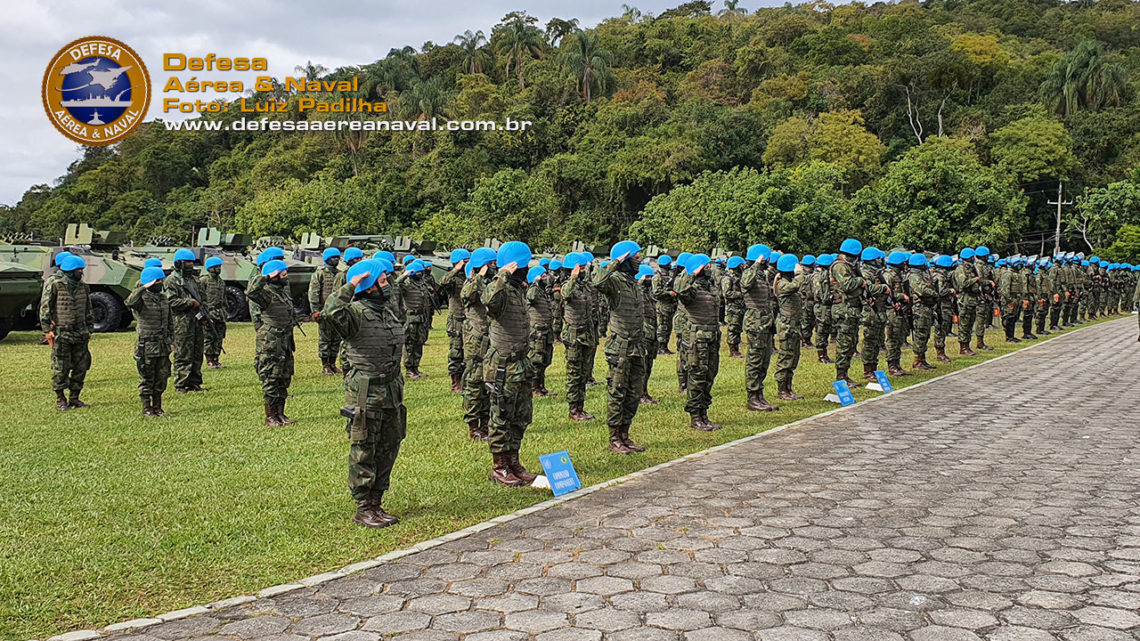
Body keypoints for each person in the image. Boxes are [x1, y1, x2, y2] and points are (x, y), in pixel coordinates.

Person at [323, 258, 406, 529]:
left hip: (392, 389)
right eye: (383, 281)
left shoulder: (386, 311)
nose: (389, 285)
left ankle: (377, 500)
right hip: (366, 392)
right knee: (365, 448)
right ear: (369, 287)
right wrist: (351, 284)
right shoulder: (354, 313)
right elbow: (331, 311)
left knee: (389, 444)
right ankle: (364, 506)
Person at [482, 241, 538, 487]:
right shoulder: (500, 291)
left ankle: (513, 461)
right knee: (501, 416)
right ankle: (499, 466)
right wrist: (502, 275)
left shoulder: (517, 291)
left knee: (520, 416)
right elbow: (488, 299)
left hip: (521, 363)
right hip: (503, 365)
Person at [594, 240, 648, 454]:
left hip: (637, 345)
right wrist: (615, 262)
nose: (640, 260)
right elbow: (598, 282)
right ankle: (615, 437)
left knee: (633, 393)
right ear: (625, 259)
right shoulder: (614, 280)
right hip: (620, 347)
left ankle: (625, 434)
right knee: (617, 391)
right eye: (635, 257)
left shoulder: (633, 283)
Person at [247, 259, 297, 426]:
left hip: (285, 342)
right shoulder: (266, 292)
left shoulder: (281, 292)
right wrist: (266, 277)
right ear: (274, 276)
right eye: (283, 274)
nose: (286, 277)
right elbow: (252, 291)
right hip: (271, 342)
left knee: (284, 377)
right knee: (271, 377)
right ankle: (270, 417)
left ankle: (280, 414)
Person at [40, 254, 94, 410]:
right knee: (61, 367)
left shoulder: (83, 287)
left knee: (81, 366)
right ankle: (61, 399)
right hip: (62, 333)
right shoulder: (56, 285)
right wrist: (47, 331)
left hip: (80, 333)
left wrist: (89, 329)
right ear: (70, 271)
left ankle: (75, 397)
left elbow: (88, 309)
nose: (81, 273)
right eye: (79, 270)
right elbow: (45, 309)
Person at [676, 253, 722, 431]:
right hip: (697, 339)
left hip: (711, 337)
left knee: (709, 375)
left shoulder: (708, 286)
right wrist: (691, 274)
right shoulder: (691, 287)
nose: (710, 268)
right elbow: (682, 292)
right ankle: (695, 416)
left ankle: (704, 413)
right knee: (697, 376)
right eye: (707, 266)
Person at [125, 266, 173, 417]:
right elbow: (130, 302)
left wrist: (172, 341)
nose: (160, 283)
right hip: (147, 345)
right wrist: (142, 287)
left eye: (161, 280)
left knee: (162, 376)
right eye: (157, 281)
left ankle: (158, 406)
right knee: (147, 377)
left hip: (163, 344)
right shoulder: (141, 299)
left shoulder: (164, 299)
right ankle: (147, 407)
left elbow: (170, 322)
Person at [461, 247, 496, 441]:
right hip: (475, 339)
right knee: (474, 382)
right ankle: (474, 426)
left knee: (488, 381)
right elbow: (466, 294)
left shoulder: (490, 284)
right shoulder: (471, 283)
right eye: (491, 264)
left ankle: (486, 422)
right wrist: (479, 276)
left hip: (490, 336)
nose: (494, 267)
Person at [741, 244, 777, 412]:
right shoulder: (749, 272)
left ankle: (760, 395)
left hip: (766, 322)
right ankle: (752, 397)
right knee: (755, 360)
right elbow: (746, 283)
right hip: (755, 323)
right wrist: (756, 263)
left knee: (764, 359)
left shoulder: (762, 275)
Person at [167, 248, 207, 393]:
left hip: (196, 321)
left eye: (192, 262)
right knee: (183, 353)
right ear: (179, 263)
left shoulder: (195, 280)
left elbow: (203, 300)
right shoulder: (172, 281)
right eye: (187, 262)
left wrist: (204, 316)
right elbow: (171, 302)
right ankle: (181, 384)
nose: (191, 265)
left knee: (197, 352)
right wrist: (190, 303)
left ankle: (194, 382)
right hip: (181, 322)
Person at [561, 252, 595, 422]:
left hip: (586, 332)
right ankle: (573, 409)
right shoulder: (568, 285)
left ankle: (580, 407)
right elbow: (565, 294)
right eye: (581, 268)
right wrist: (573, 277)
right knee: (574, 372)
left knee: (584, 372)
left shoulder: (585, 286)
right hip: (574, 334)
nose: (583, 271)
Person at [830, 238, 869, 388]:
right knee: (844, 344)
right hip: (844, 309)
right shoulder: (840, 266)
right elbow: (846, 285)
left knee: (850, 343)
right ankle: (841, 377)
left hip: (850, 309)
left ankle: (845, 374)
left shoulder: (849, 266)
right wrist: (860, 281)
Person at [773, 253, 805, 400]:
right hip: (786, 326)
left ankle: (788, 388)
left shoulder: (786, 282)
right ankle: (782, 390)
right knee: (785, 357)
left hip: (794, 326)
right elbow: (795, 285)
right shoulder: (782, 285)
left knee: (794, 357)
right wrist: (799, 273)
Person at [309, 247, 343, 375]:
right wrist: (315, 311)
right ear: (327, 259)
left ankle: (333, 363)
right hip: (324, 312)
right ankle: (325, 365)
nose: (336, 260)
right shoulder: (319, 274)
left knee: (336, 339)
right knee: (325, 339)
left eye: (338, 258)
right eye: (334, 257)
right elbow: (314, 293)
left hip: (338, 311)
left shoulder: (340, 273)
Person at [440, 249, 470, 392]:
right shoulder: (453, 279)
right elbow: (444, 282)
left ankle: (465, 379)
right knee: (456, 351)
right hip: (456, 319)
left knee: (469, 350)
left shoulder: (469, 276)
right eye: (465, 261)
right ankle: (455, 382)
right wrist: (456, 269)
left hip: (469, 318)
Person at [398, 260, 433, 379]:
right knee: (409, 344)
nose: (420, 274)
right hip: (411, 318)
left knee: (419, 343)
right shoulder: (406, 285)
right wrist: (404, 275)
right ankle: (409, 369)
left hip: (422, 318)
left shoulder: (422, 284)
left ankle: (416, 367)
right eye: (418, 273)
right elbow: (394, 285)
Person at [333, 247, 365, 373]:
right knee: (347, 342)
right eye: (355, 259)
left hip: (360, 310)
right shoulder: (342, 275)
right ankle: (346, 368)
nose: (358, 261)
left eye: (360, 258)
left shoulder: (363, 274)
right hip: (348, 311)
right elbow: (337, 294)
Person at [859, 247, 889, 380]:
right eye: (878, 259)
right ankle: (867, 370)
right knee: (870, 341)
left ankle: (874, 368)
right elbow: (869, 288)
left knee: (877, 341)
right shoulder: (865, 273)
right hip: (870, 311)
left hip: (879, 310)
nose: (880, 261)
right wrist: (883, 288)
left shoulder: (877, 273)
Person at [526, 265, 556, 397]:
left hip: (546, 329)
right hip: (537, 331)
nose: (546, 278)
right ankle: (534, 387)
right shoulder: (533, 290)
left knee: (545, 359)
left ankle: (541, 386)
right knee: (536, 359)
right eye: (543, 276)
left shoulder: (543, 292)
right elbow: (531, 297)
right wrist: (535, 282)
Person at [883, 251, 911, 377]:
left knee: (899, 338)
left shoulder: (899, 275)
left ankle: (897, 363)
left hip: (900, 309)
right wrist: (901, 296)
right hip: (891, 310)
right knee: (892, 338)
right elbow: (886, 292)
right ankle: (892, 365)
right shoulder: (888, 275)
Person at [907, 253, 937, 370]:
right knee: (920, 333)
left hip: (926, 307)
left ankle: (922, 359)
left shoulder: (923, 274)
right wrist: (935, 294)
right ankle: (917, 360)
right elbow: (922, 290)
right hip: (919, 308)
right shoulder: (914, 276)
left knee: (925, 333)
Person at [637, 264, 659, 405]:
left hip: (651, 332)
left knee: (648, 365)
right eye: (647, 277)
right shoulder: (637, 291)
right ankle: (640, 395)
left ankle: (644, 392)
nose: (649, 280)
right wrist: (639, 281)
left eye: (651, 277)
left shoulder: (648, 293)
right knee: (642, 366)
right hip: (643, 333)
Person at [952, 247, 982, 355]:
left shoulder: (971, 268)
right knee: (964, 324)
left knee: (970, 324)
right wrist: (975, 280)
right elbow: (963, 283)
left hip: (972, 299)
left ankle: (967, 346)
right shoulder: (961, 269)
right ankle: (963, 347)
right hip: (965, 299)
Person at [201, 256, 228, 368]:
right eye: (216, 266)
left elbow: (224, 298)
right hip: (209, 312)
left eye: (219, 266)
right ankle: (209, 359)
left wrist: (225, 311)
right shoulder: (204, 280)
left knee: (219, 336)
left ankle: (216, 358)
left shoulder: (221, 282)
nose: (218, 268)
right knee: (209, 337)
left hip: (220, 313)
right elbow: (200, 298)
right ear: (210, 268)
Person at [673, 252, 693, 393]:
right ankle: (683, 383)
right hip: (683, 320)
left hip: (689, 319)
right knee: (683, 353)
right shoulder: (681, 279)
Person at [931, 254, 955, 362]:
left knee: (943, 329)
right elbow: (940, 292)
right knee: (940, 329)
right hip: (941, 306)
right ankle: (940, 353)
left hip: (945, 305)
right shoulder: (939, 277)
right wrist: (950, 291)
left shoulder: (941, 276)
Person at [973, 246, 997, 350]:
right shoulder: (979, 266)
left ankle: (981, 341)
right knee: (980, 320)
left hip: (987, 295)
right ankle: (980, 343)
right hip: (981, 296)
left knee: (983, 319)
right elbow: (980, 281)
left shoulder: (985, 266)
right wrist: (989, 283)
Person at [653, 255, 677, 354]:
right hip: (662, 306)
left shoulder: (670, 277)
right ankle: (661, 347)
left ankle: (665, 346)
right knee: (662, 327)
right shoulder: (657, 277)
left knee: (668, 327)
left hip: (670, 306)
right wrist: (668, 293)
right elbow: (656, 292)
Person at [722, 256, 745, 358]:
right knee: (733, 328)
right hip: (733, 308)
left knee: (738, 328)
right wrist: (741, 294)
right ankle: (733, 351)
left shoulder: (739, 276)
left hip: (740, 307)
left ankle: (736, 347)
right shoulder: (728, 278)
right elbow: (727, 293)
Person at [814, 254, 835, 363]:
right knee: (821, 331)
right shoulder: (820, 277)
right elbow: (821, 295)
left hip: (823, 306)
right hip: (822, 306)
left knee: (825, 330)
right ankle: (821, 355)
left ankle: (823, 354)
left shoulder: (820, 275)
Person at [799, 255, 817, 349]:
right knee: (806, 320)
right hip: (805, 301)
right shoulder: (802, 276)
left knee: (810, 320)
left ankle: (807, 339)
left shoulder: (806, 275)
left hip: (810, 300)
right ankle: (805, 340)